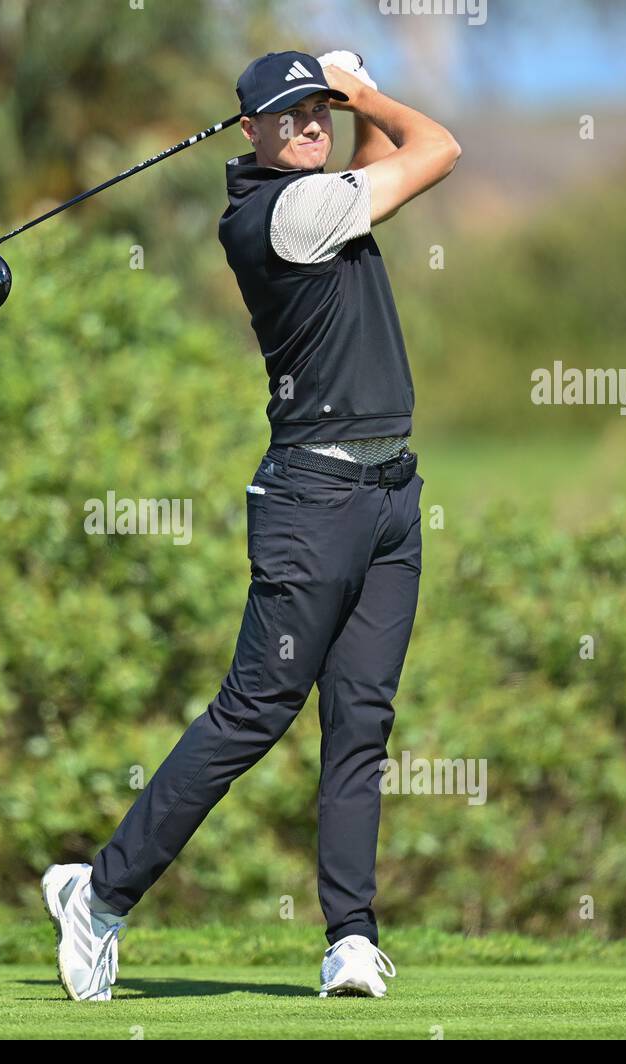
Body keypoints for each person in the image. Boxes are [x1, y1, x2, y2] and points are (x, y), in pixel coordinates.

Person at [42, 49, 461, 1002]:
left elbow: (376, 163)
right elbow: (437, 147)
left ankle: (351, 938)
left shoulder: (311, 190)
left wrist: (344, 103)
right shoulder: (288, 215)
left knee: (361, 721)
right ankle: (99, 898)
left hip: (392, 494)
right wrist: (366, 93)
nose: (315, 123)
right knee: (254, 711)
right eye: (296, 113)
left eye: (320, 109)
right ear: (252, 134)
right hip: (315, 503)